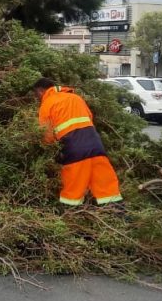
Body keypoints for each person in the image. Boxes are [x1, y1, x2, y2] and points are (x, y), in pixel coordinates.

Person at [34, 78, 123, 208]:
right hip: (96, 146)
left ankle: (70, 219)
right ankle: (119, 216)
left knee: (72, 192)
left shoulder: (47, 104)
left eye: (36, 94)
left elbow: (47, 135)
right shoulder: (75, 98)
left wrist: (50, 152)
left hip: (74, 150)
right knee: (107, 188)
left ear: (41, 91)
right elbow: (90, 118)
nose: (37, 98)